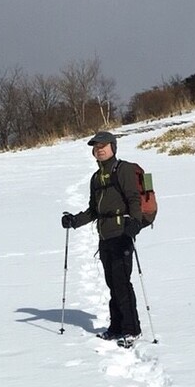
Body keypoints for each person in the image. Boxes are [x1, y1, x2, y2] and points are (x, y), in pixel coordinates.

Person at [61, 130, 143, 343]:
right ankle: (116, 327)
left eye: (103, 146)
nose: (99, 150)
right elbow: (93, 210)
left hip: (122, 234)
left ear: (113, 147)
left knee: (122, 283)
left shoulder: (123, 169)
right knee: (112, 283)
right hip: (105, 236)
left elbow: (134, 199)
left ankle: (132, 329)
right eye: (96, 147)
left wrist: (135, 223)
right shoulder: (96, 178)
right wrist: (74, 221)